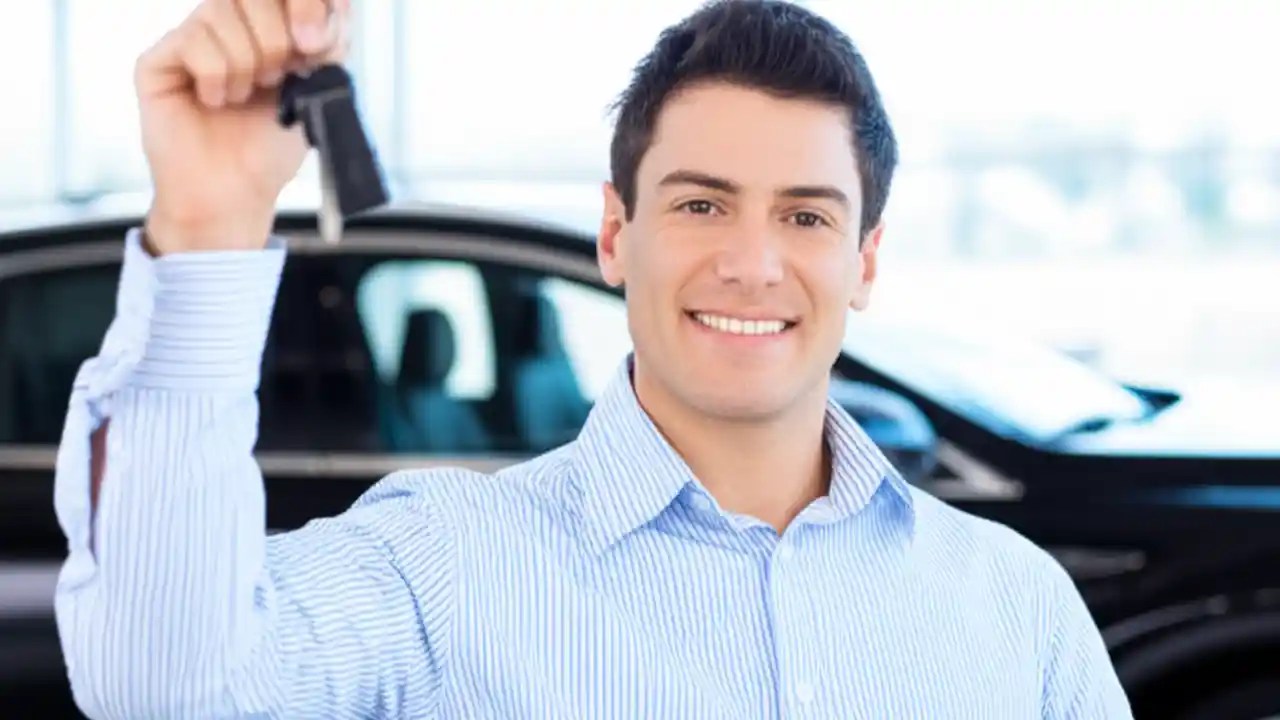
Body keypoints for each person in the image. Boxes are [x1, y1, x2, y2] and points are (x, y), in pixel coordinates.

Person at [51, 0, 1133, 717]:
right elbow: (166, 689)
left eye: (804, 217)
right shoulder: (442, 564)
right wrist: (209, 216)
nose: (753, 263)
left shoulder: (1014, 605)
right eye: (701, 203)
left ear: (864, 261)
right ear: (616, 235)